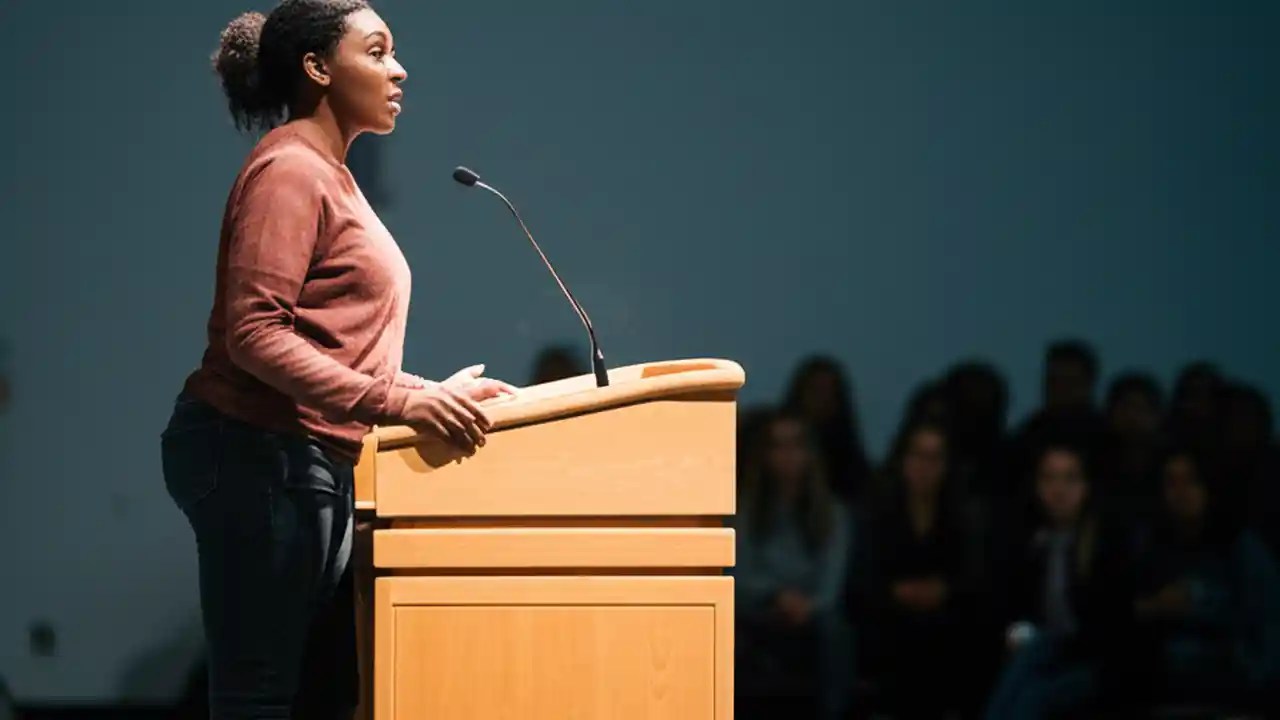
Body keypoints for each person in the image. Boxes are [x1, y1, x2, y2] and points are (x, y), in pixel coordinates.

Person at [160, 2, 515, 717]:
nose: (399, 68)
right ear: (318, 68)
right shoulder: (291, 169)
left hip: (299, 459)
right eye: (378, 51)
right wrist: (402, 403)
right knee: (260, 696)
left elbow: (334, 342)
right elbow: (254, 335)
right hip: (256, 451)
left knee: (310, 695)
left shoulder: (330, 174)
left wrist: (427, 391)